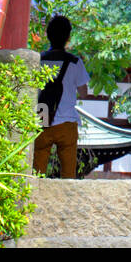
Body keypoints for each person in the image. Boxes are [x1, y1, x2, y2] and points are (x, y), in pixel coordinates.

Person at [33, 15, 90, 180]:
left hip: (42, 119)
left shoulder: (38, 60)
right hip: (67, 122)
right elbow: (84, 92)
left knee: (37, 172)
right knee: (68, 174)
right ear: (68, 37)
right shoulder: (75, 62)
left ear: (48, 35)